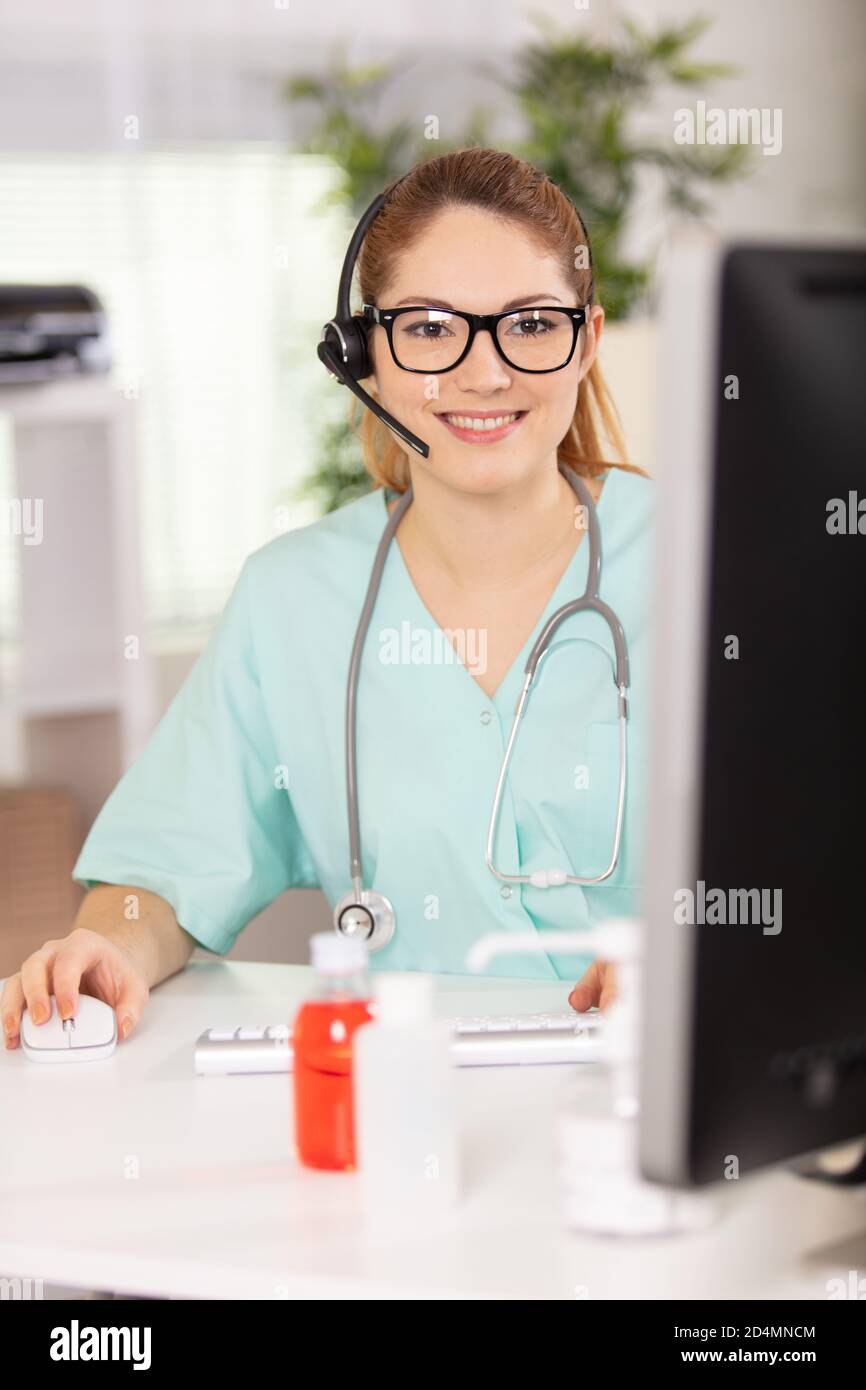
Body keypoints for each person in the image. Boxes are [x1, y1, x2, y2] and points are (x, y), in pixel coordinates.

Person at [1, 147, 653, 1051]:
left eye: (532, 324)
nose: (486, 373)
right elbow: (160, 876)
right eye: (429, 328)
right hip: (411, 1107)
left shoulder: (710, 560)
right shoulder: (293, 599)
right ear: (361, 356)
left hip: (655, 1111)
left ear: (586, 339)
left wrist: (707, 955)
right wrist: (101, 947)